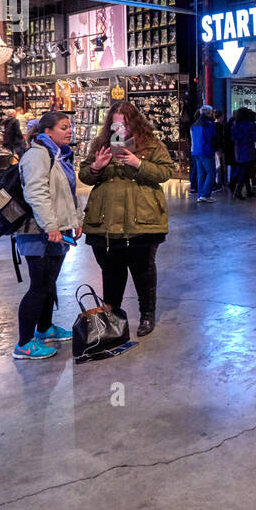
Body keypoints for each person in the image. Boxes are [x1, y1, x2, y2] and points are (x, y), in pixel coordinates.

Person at [78, 101, 172, 337]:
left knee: (143, 270)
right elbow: (85, 175)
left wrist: (138, 163)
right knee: (111, 272)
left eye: (124, 123)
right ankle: (113, 318)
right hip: (105, 220)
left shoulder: (152, 145)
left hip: (142, 218)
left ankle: (147, 315)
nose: (119, 128)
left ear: (134, 122)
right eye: (115, 123)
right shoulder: (100, 144)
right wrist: (97, 167)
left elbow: (165, 173)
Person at [13, 112, 83, 360]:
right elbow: (36, 193)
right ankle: (23, 343)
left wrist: (75, 220)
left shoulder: (58, 155)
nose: (70, 130)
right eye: (64, 127)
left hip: (55, 230)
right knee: (39, 286)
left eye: (70, 126)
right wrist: (51, 225)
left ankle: (44, 329)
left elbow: (67, 193)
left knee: (49, 283)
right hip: (37, 232)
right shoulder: (37, 155)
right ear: (48, 131)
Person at [228, 108, 256, 199]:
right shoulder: (250, 125)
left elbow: (233, 138)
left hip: (238, 149)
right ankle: (238, 191)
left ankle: (247, 190)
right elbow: (254, 137)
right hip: (247, 149)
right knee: (246, 171)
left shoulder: (234, 124)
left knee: (243, 170)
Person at [190, 105, 217, 203]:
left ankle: (200, 194)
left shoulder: (195, 124)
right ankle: (205, 194)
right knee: (211, 173)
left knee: (200, 174)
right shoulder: (209, 124)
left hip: (196, 151)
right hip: (206, 151)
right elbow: (212, 138)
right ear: (208, 113)